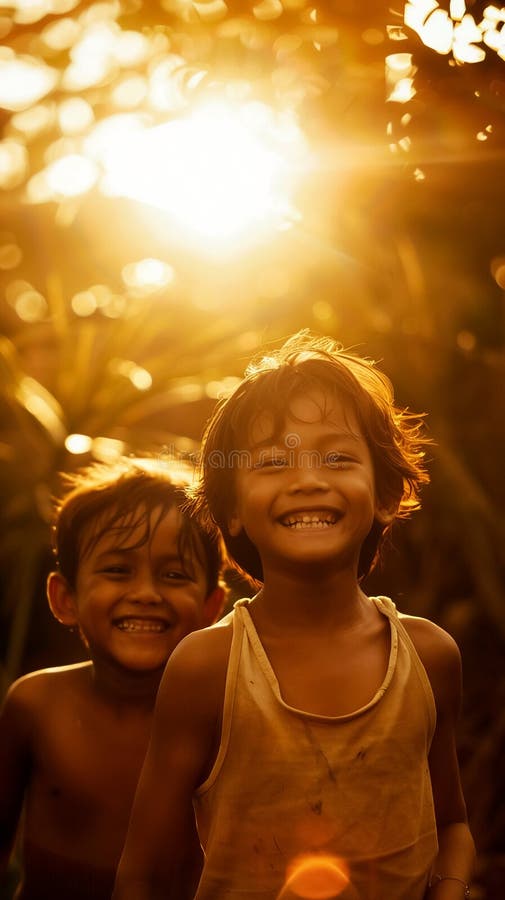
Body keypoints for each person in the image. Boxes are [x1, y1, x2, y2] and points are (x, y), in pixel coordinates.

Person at [112, 332, 475, 900]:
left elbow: (452, 824)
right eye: (274, 463)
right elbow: (145, 874)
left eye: (336, 457)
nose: (307, 480)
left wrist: (451, 888)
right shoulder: (208, 667)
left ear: (383, 494)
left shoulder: (429, 656)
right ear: (231, 510)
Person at [0, 457, 225, 900]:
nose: (145, 593)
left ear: (210, 608)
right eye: (117, 570)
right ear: (65, 598)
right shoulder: (35, 705)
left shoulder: (223, 723)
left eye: (174, 574)